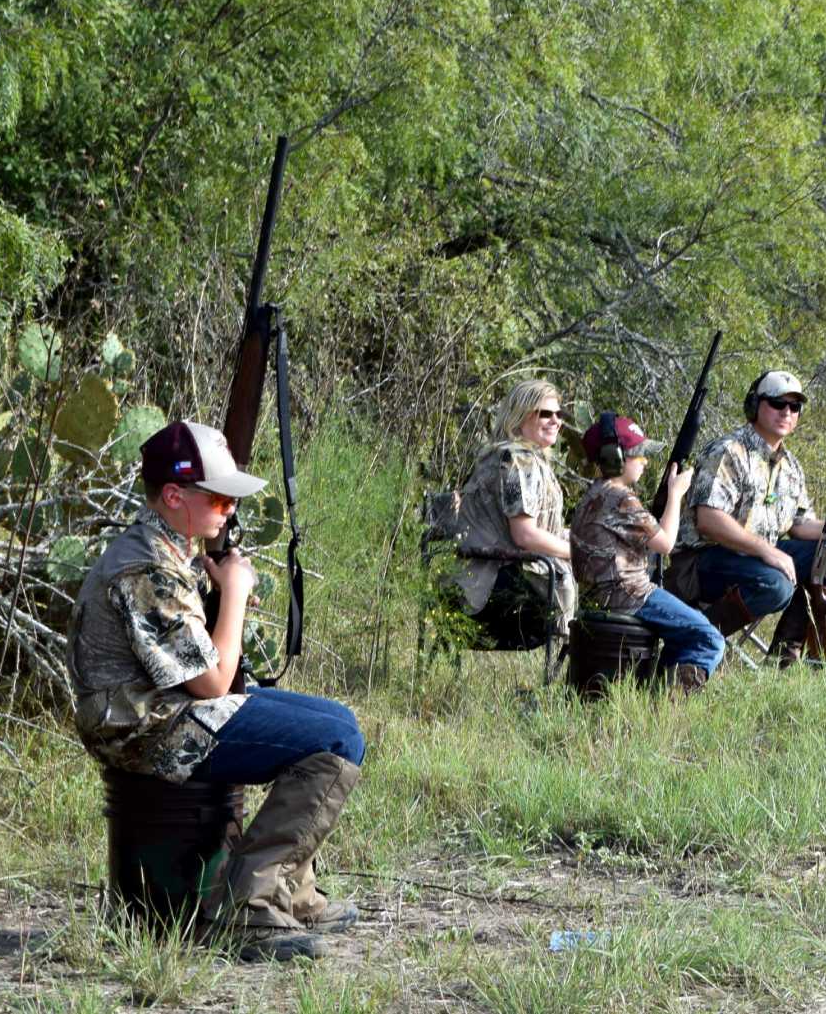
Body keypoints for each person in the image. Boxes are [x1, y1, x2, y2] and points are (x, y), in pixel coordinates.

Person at [66, 420, 365, 962]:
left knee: (339, 723)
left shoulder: (164, 548)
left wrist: (221, 594)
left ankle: (291, 893)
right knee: (335, 744)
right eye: (220, 500)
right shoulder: (148, 567)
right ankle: (249, 906)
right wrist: (235, 594)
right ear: (174, 496)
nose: (229, 511)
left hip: (163, 711)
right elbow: (212, 682)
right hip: (145, 730)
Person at [669, 370, 826, 666]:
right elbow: (709, 520)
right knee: (775, 584)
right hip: (702, 562)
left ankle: (784, 657)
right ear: (755, 405)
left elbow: (798, 524)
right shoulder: (728, 451)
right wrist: (768, 551)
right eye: (778, 403)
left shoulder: (791, 466)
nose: (786, 412)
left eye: (794, 407)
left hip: (752, 558)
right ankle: (695, 640)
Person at [569, 412, 724, 691]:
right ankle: (670, 702)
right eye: (638, 454)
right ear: (614, 457)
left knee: (686, 635)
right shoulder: (621, 497)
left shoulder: (594, 493)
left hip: (600, 596)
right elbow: (665, 544)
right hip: (628, 593)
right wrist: (675, 494)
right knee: (708, 639)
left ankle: (655, 693)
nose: (645, 461)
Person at [426, 379, 576, 651]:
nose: (556, 421)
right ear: (521, 415)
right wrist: (578, 552)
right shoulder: (519, 460)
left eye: (559, 414)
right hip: (489, 587)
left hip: (474, 579)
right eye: (545, 413)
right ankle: (597, 674)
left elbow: (540, 529)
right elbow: (525, 535)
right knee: (600, 598)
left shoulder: (516, 456)